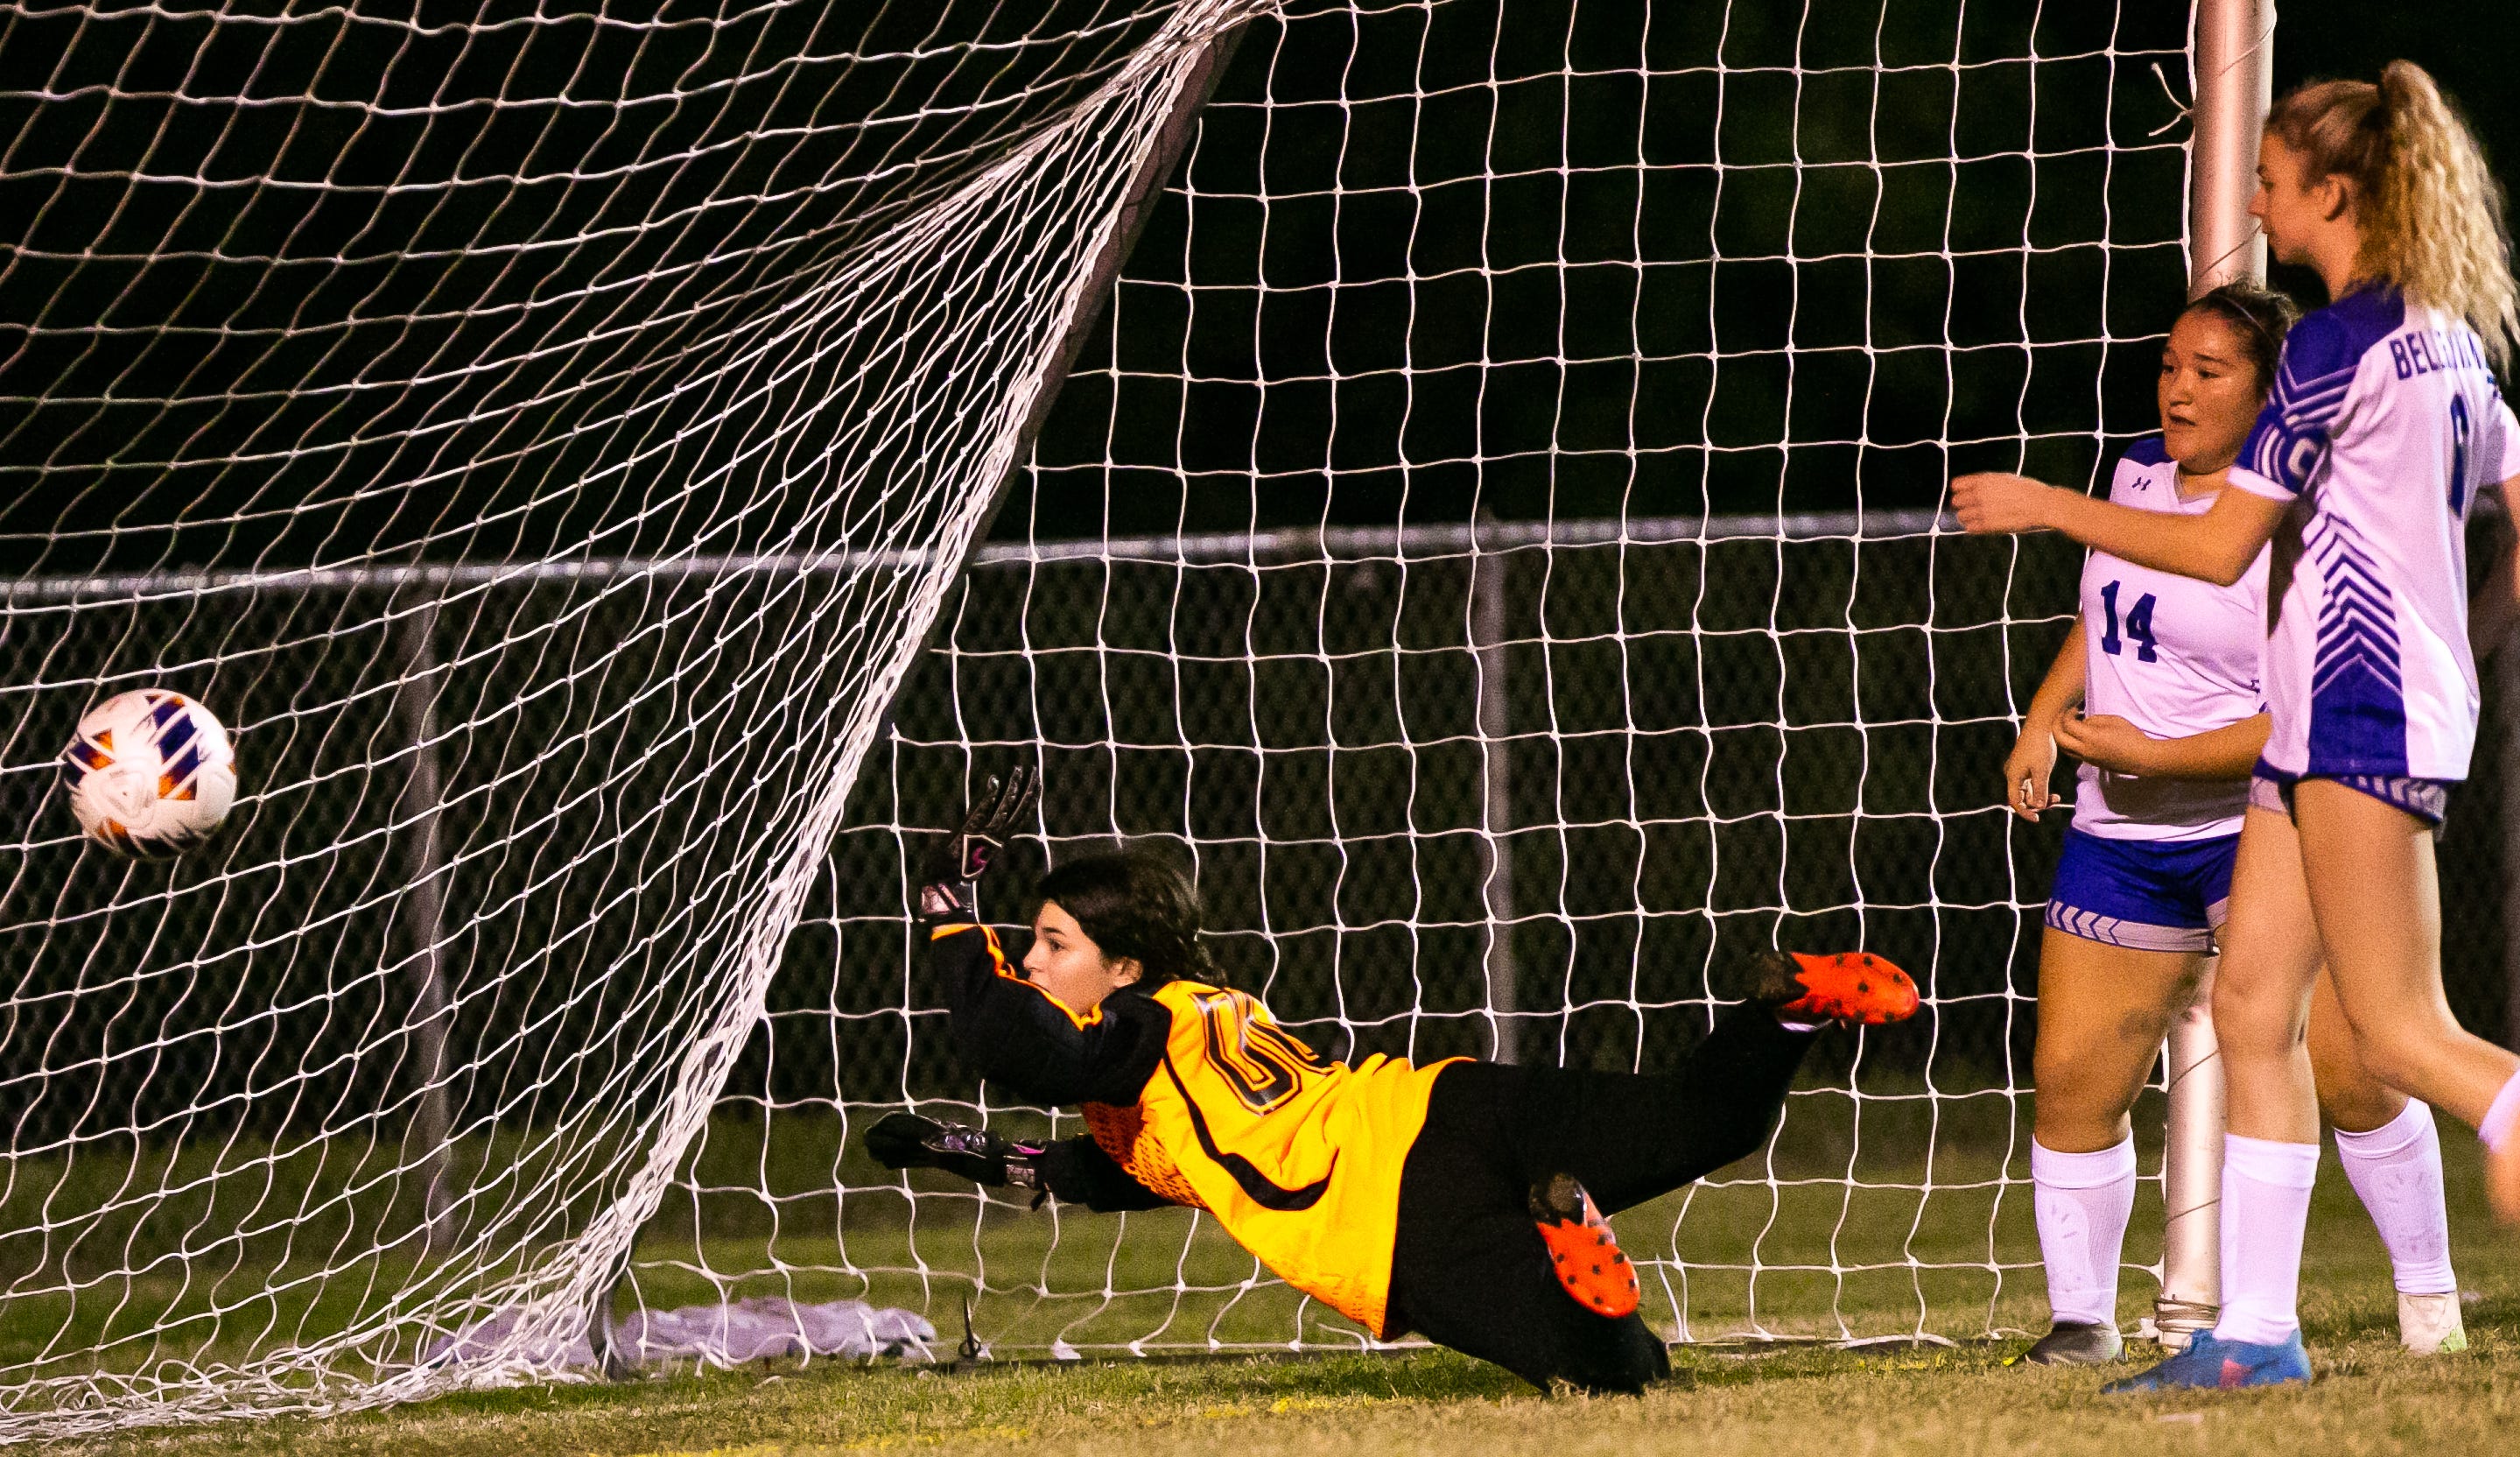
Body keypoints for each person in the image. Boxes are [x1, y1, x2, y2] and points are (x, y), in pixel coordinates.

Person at [1953, 61, 2520, 1390]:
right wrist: (2470, 646)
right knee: (2257, 1006)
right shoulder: (2446, 332)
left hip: (2350, 713)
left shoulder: (2333, 345)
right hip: (2360, 711)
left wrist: (2044, 504)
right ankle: (2254, 1341)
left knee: (2390, 1033)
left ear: (2332, 189)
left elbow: (2215, 552)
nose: (2255, 203)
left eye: (2269, 182)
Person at [866, 766, 1921, 1394]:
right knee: (1705, 1116)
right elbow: (1127, 1171)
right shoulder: (1200, 1020)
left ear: (1126, 967)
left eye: (1051, 941)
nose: (1033, 960)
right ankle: (1786, 1003)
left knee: (1615, 1375)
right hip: (1441, 1102)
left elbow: (1010, 1044)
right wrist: (961, 1153)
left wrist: (948, 905)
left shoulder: (1136, 1030)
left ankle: (1583, 1253)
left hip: (1399, 1217)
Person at [2007, 282, 2466, 1366]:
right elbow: (2104, 607)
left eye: (2207, 372)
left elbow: (2296, 709)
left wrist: (2153, 752)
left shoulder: (2295, 523)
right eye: (2169, 364)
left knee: (2354, 1066)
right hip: (2122, 832)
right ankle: (2080, 1322)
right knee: (2073, 1079)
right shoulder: (2127, 472)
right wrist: (2042, 716)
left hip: (2269, 822)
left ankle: (2429, 1301)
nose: (2175, 386)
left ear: (2268, 402)